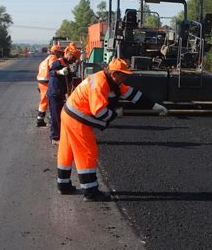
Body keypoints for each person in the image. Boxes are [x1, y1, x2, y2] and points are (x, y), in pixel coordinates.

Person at [56, 57, 167, 201]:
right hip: (77, 119)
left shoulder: (111, 81)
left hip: (68, 114)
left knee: (67, 150)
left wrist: (155, 106)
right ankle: (91, 192)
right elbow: (99, 112)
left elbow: (132, 95)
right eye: (124, 75)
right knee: (88, 152)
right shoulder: (100, 84)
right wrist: (115, 114)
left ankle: (63, 185)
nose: (126, 78)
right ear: (114, 73)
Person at [47, 43, 81, 144]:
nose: (74, 60)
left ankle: (61, 135)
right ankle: (55, 137)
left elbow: (70, 79)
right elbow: (50, 73)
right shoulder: (58, 62)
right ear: (68, 54)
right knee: (55, 116)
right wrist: (59, 72)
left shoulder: (67, 65)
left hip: (61, 93)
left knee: (61, 116)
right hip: (54, 92)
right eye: (74, 58)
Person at [36, 45, 64, 127]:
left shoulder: (46, 59)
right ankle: (45, 119)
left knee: (44, 100)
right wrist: (60, 71)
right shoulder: (53, 58)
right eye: (59, 52)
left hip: (41, 80)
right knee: (48, 99)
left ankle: (40, 119)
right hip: (46, 81)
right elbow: (53, 68)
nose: (59, 54)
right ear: (55, 52)